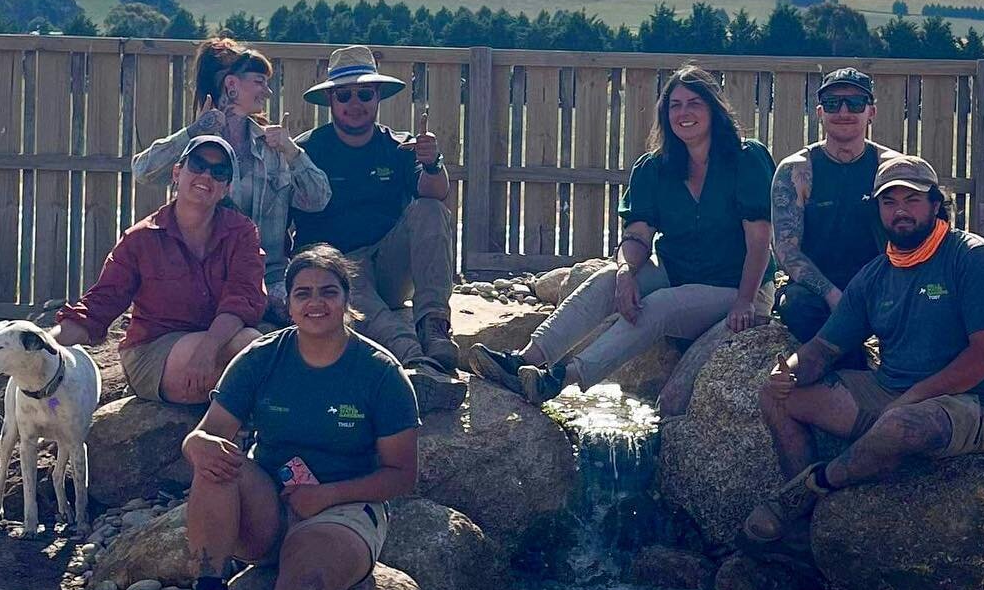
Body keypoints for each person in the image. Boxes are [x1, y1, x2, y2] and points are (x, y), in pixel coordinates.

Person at [180, 245, 421, 590]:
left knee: (303, 584)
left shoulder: (380, 373)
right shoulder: (260, 358)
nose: (316, 303)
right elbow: (207, 433)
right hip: (270, 503)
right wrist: (196, 445)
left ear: (348, 301)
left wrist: (327, 494)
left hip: (344, 509)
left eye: (328, 292)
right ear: (287, 304)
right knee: (216, 462)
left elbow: (402, 475)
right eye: (304, 293)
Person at [468, 64, 775, 405]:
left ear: (713, 109)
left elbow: (759, 240)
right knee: (606, 279)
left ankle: (558, 379)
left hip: (738, 286)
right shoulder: (653, 167)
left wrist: (745, 300)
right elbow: (638, 234)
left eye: (694, 103)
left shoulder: (747, 158)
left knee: (657, 305)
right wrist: (627, 271)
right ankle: (524, 362)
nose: (684, 113)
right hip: (679, 272)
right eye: (675, 105)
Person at [747, 156, 984, 544]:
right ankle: (806, 525)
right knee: (777, 396)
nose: (900, 211)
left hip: (968, 405)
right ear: (878, 210)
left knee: (899, 425)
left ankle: (812, 487)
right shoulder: (875, 275)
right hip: (890, 394)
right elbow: (823, 347)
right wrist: (788, 369)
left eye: (912, 200)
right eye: (889, 202)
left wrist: (913, 398)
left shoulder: (971, 257)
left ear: (936, 204)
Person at [291, 46, 463, 412]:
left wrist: (433, 163)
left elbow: (436, 192)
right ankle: (417, 363)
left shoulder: (400, 147)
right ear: (331, 101)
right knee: (369, 312)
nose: (355, 103)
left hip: (389, 266)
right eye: (345, 95)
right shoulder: (305, 151)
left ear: (378, 97)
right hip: (335, 269)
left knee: (431, 210)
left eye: (365, 93)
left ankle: (435, 326)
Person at [54, 135, 266, 403]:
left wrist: (206, 351)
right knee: (251, 358)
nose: (206, 175)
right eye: (198, 165)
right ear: (177, 172)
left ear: (226, 188)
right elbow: (101, 303)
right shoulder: (140, 238)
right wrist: (45, 343)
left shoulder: (242, 232)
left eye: (218, 171)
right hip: (154, 348)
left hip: (215, 340)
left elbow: (243, 299)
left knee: (253, 345)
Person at [132, 38, 330, 320]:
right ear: (232, 85)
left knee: (305, 311)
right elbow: (143, 172)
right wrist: (193, 131)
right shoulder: (198, 149)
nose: (268, 91)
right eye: (260, 81)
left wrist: (292, 150)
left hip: (268, 276)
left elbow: (318, 199)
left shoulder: (272, 147)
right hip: (204, 278)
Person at [772, 67, 899, 347]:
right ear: (819, 113)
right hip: (818, 289)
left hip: (881, 285)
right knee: (796, 305)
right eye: (832, 104)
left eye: (855, 103)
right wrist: (832, 295)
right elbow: (786, 250)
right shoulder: (796, 170)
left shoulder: (891, 167)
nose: (843, 112)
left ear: (871, 112)